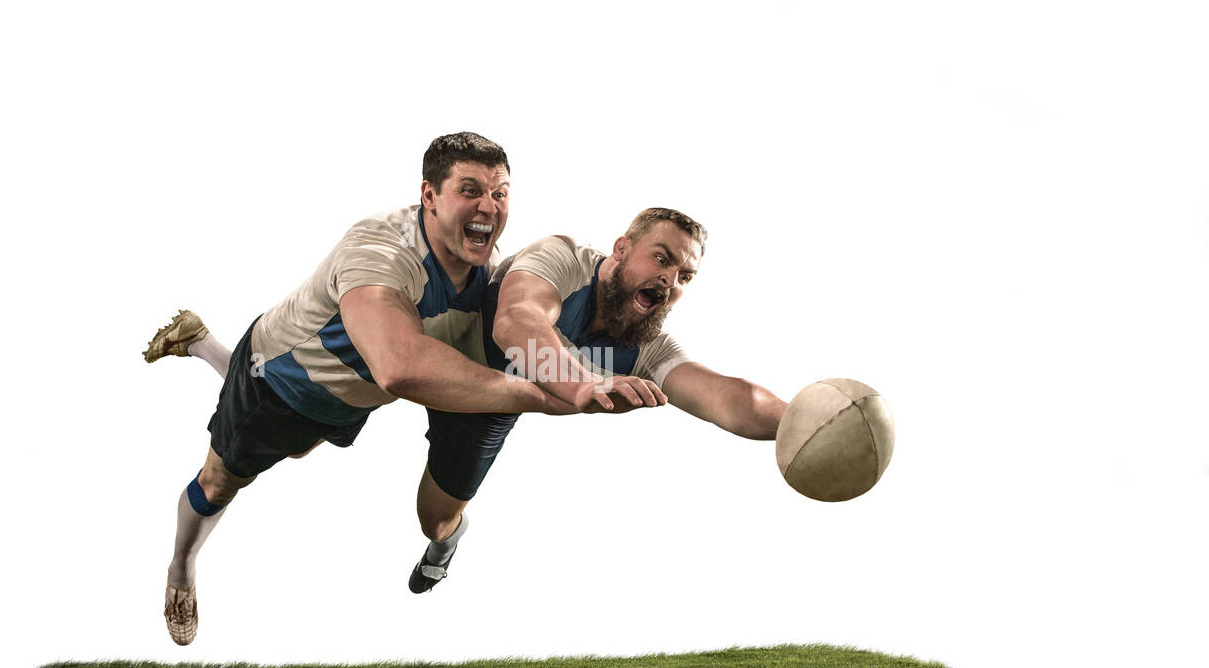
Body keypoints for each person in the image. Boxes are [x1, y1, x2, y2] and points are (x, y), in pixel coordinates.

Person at [149, 132, 661, 645]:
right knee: (222, 482)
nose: (488, 205)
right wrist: (538, 395)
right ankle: (180, 570)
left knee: (300, 447)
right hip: (280, 380)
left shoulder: (482, 257)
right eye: (470, 190)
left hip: (349, 394)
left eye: (500, 193)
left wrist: (582, 367)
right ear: (429, 196)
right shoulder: (380, 250)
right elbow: (398, 365)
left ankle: (200, 340)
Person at [149, 205, 787, 602]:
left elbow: (728, 395)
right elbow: (516, 322)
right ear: (621, 249)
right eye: (662, 259)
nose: (670, 281)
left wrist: (797, 421)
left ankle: (442, 547)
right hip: (428, 352)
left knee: (431, 514)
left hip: (486, 403)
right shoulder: (562, 258)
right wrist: (579, 385)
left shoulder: (644, 342)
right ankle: (220, 361)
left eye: (685, 277)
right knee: (291, 427)